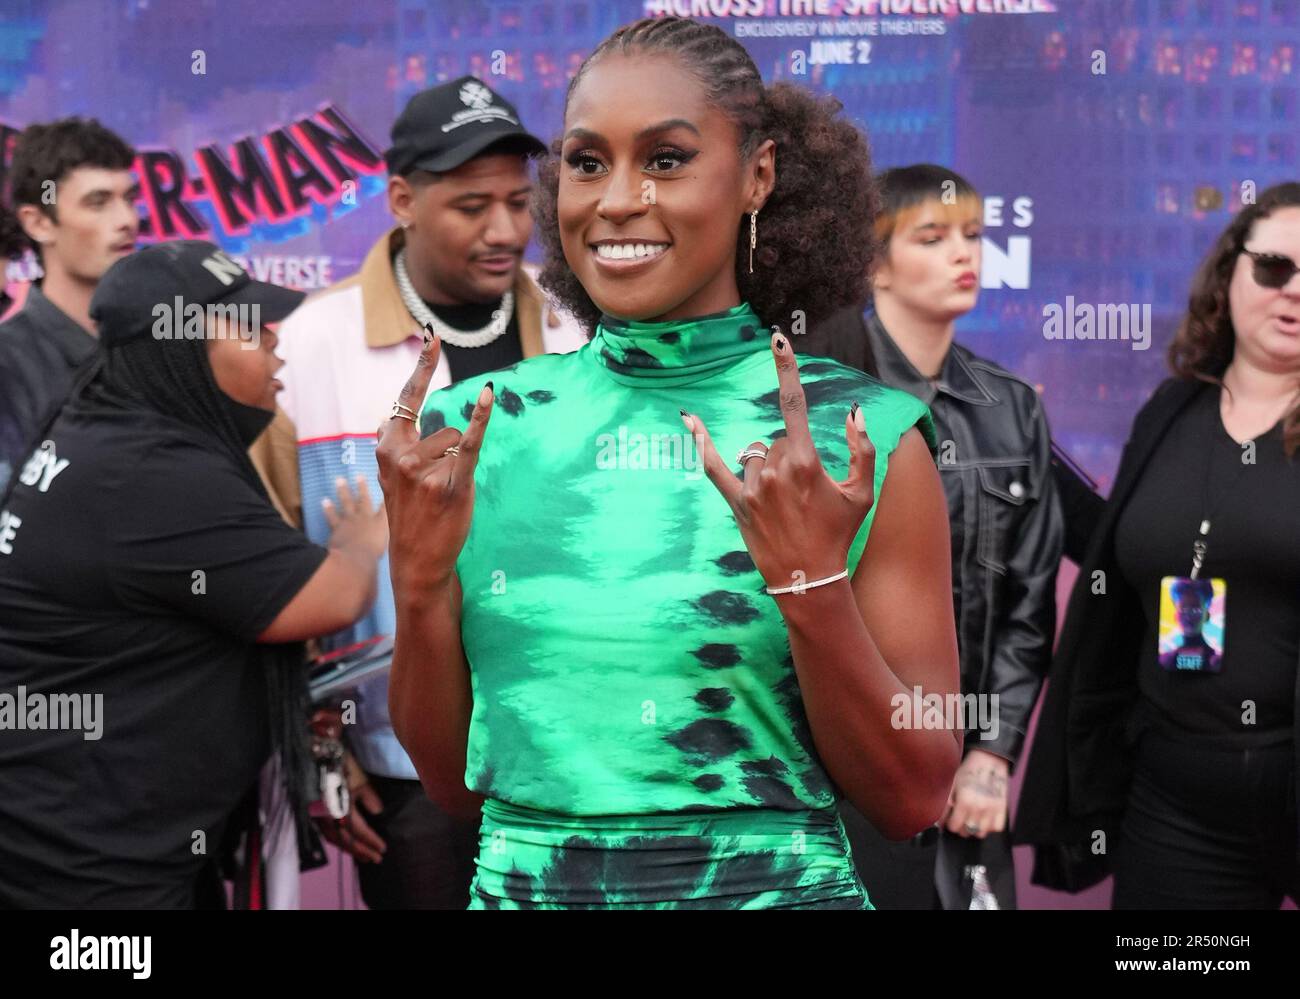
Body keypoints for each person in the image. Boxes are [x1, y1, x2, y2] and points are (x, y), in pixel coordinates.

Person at [377, 15, 962, 909]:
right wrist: (416, 582)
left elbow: (914, 795)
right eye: (586, 161)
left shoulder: (860, 436)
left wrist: (810, 588)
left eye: (665, 159)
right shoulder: (480, 427)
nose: (616, 199)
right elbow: (455, 789)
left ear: (757, 174)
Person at [254, 75, 584, 909]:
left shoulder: (583, 328)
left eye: (518, 201)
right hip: (405, 767)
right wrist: (317, 741)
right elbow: (259, 567)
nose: (506, 229)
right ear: (401, 197)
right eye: (472, 206)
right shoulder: (307, 346)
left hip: (581, 749)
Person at [0, 240, 387, 908]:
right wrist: (359, 539)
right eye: (247, 329)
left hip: (93, 837)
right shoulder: (148, 470)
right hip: (83, 872)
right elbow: (331, 597)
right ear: (177, 350)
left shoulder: (106, 425)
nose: (276, 344)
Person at [1015, 182, 1300, 908]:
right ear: (1229, 273)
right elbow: (1119, 548)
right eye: (1275, 268)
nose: (1293, 291)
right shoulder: (1171, 410)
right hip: (1176, 805)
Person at [815, 165, 1063, 909]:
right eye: (933, 237)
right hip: (841, 779)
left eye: (975, 236)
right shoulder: (826, 404)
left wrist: (992, 753)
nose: (966, 255)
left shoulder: (1012, 407)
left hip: (967, 786)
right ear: (874, 264)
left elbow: (1029, 598)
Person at [0, 117, 138, 492]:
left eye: (130, 199)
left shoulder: (160, 346)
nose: (128, 220)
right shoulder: (8, 365)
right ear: (39, 223)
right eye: (98, 203)